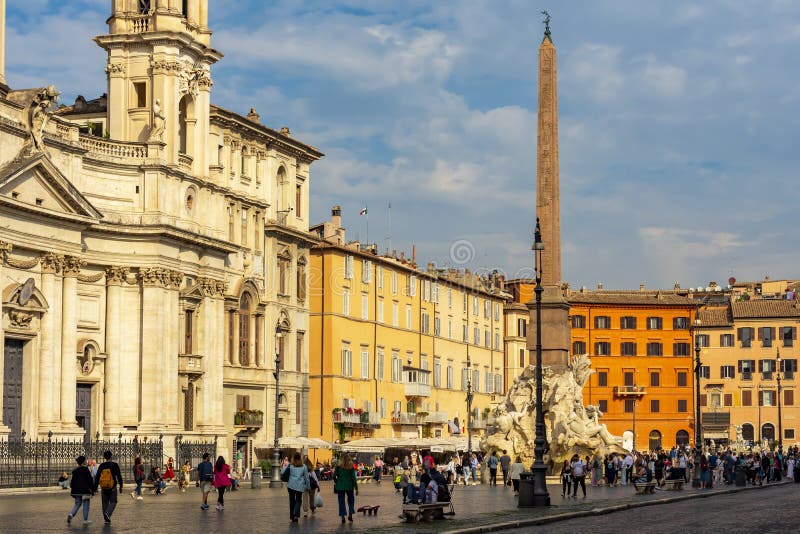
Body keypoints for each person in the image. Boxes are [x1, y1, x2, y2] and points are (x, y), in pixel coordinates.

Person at [94, 450, 123, 524]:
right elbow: (119, 476)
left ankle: (106, 518)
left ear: (104, 457)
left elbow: (97, 477)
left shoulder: (101, 465)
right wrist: (121, 485)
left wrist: (95, 488)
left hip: (103, 487)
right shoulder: (115, 465)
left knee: (104, 503)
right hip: (112, 486)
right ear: (111, 456)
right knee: (113, 501)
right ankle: (108, 513)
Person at [281, 452, 310, 523]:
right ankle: (296, 515)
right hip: (299, 486)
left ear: (293, 458)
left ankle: (292, 517)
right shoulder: (303, 466)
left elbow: (282, 472)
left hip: (290, 486)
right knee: (298, 500)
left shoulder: (290, 465)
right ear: (300, 458)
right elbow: (307, 478)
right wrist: (308, 486)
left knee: (292, 501)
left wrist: (287, 466)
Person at [67, 456, 94, 525]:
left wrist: (72, 489)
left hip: (76, 490)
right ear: (83, 462)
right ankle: (85, 520)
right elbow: (90, 480)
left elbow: (72, 482)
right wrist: (93, 489)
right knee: (86, 503)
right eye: (85, 460)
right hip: (85, 490)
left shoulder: (75, 470)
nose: (86, 461)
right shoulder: (86, 469)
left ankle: (71, 514)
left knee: (77, 503)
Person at [333, 454, 358, 523]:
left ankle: (343, 517)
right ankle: (350, 514)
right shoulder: (351, 467)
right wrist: (356, 488)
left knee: (341, 501)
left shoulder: (338, 467)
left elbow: (334, 476)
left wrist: (337, 481)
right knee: (351, 500)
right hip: (349, 486)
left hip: (340, 486)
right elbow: (353, 478)